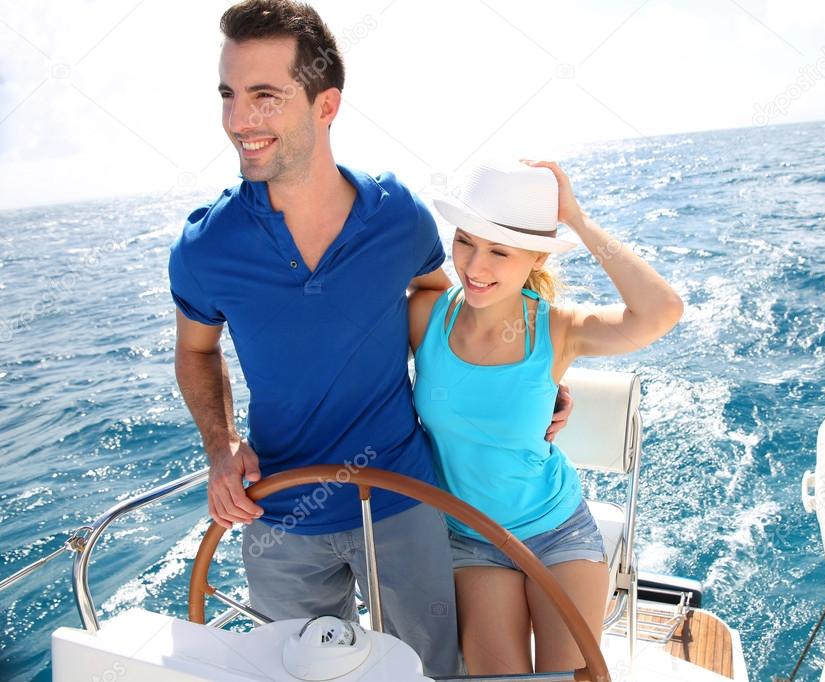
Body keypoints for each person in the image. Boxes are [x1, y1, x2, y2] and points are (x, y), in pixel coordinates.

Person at [166, 1, 573, 674]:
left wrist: (510, 374)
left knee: (433, 668)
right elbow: (195, 349)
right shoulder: (205, 248)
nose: (239, 121)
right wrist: (219, 445)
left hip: (404, 497)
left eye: (265, 96)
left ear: (326, 106)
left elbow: (447, 298)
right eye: (229, 96)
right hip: (278, 514)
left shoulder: (396, 215)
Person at [408, 159, 684, 674]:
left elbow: (661, 311)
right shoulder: (425, 314)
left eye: (499, 251)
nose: (474, 266)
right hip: (470, 536)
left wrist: (576, 219)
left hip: (558, 529)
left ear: (536, 256)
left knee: (570, 677)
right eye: (465, 241)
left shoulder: (558, 328)